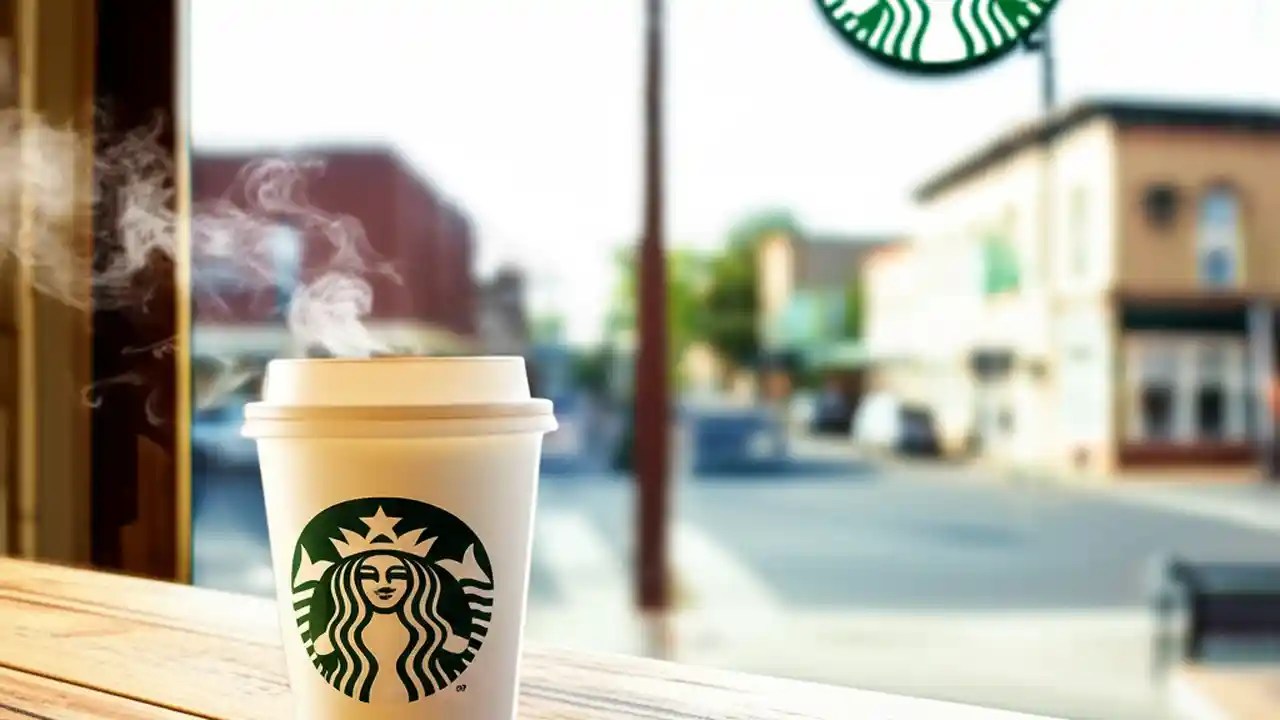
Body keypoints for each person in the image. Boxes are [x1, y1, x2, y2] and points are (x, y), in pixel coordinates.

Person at [312, 550, 470, 703]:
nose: (384, 584)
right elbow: (320, 648)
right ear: (353, 583)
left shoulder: (434, 629)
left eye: (397, 575)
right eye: (368, 575)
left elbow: (459, 647)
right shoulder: (340, 630)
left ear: (414, 580)